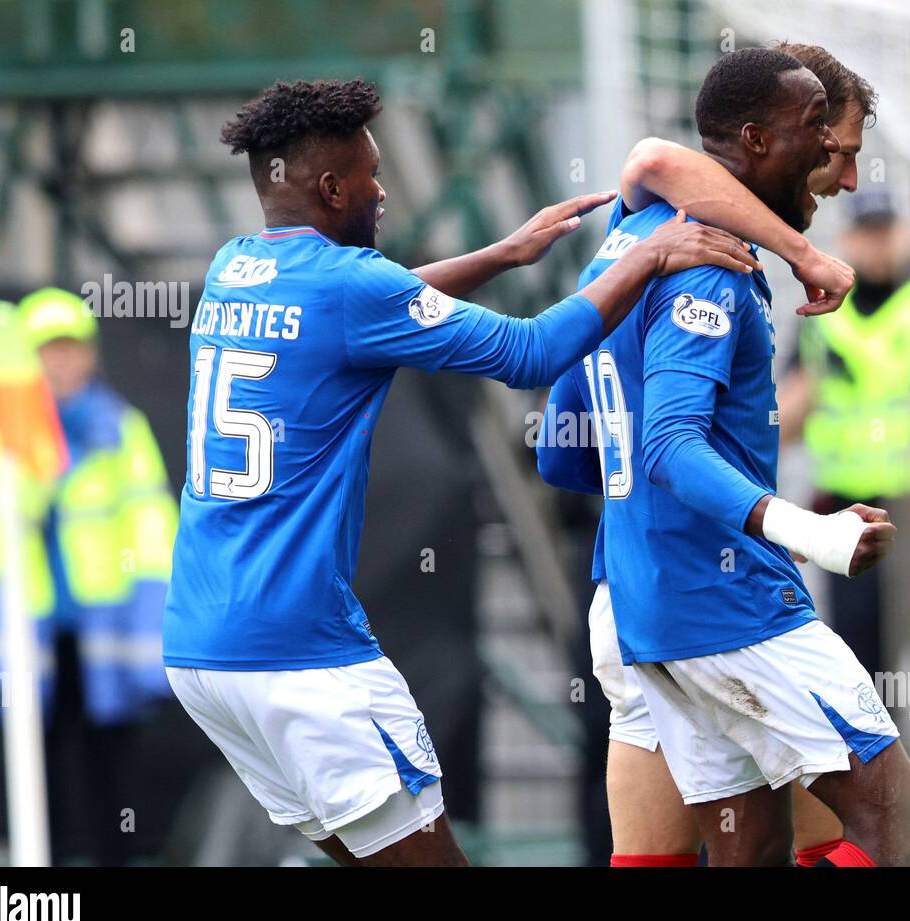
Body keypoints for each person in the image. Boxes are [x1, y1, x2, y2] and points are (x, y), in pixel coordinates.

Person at [160, 77, 772, 867]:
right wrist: (648, 256)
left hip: (202, 651)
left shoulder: (234, 269)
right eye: (370, 175)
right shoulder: (350, 287)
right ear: (330, 186)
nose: (382, 192)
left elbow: (375, 310)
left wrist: (504, 254)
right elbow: (532, 353)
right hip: (301, 654)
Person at [538, 47, 910, 866]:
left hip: (637, 593)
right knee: (899, 832)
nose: (838, 167)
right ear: (758, 138)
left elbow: (563, 448)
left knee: (733, 850)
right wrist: (809, 532)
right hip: (723, 597)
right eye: (828, 140)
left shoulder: (623, 242)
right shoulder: (713, 261)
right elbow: (671, 447)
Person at [0, 287, 178, 864]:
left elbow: (153, 531)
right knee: (36, 766)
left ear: (91, 353)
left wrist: (153, 628)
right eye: (48, 351)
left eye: (73, 349)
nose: (63, 363)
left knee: (113, 761)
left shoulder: (122, 429)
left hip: (107, 633)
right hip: (32, 635)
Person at [779, 189, 910, 677]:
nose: (878, 245)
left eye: (887, 232)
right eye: (867, 235)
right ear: (847, 240)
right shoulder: (821, 320)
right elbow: (780, 421)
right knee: (862, 672)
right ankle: (877, 756)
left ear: (907, 234)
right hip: (855, 517)